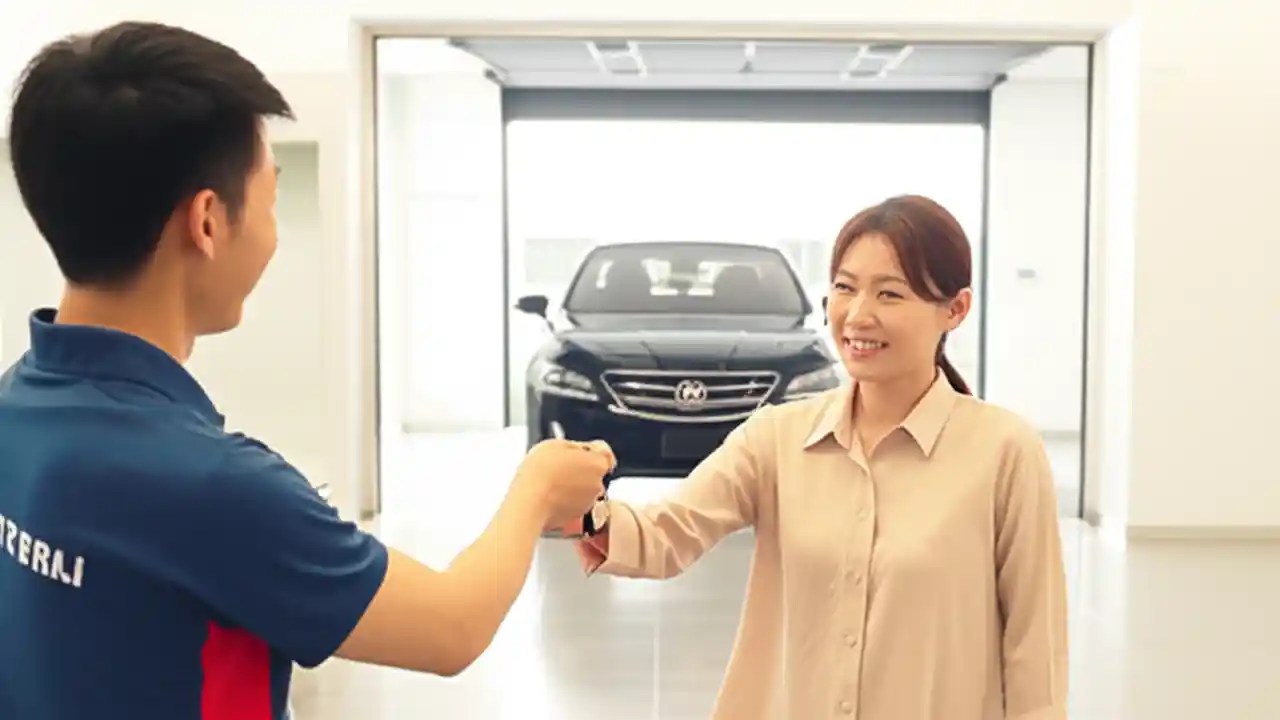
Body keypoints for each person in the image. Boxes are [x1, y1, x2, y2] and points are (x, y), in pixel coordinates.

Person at [0, 21, 614, 720]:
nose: (272, 230)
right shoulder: (210, 486)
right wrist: (537, 488)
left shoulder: (16, 407)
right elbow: (451, 627)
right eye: (270, 197)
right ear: (207, 222)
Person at [567, 195, 1069, 720]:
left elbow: (1036, 654)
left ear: (955, 309)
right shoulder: (778, 437)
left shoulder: (1004, 452)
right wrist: (581, 507)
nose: (857, 315)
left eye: (890, 294)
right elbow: (666, 533)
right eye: (845, 288)